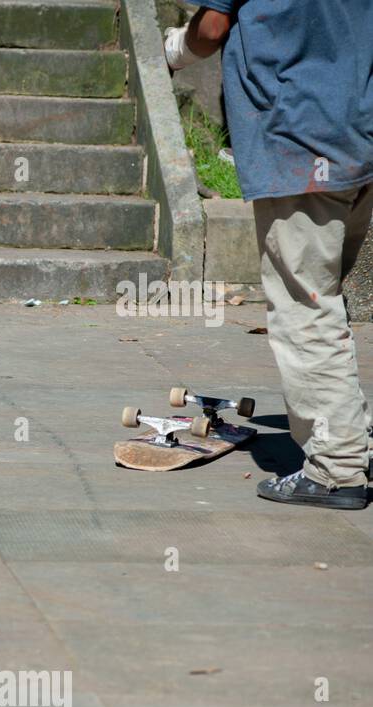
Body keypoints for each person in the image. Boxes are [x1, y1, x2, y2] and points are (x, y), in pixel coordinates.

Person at [166, 2, 373, 510]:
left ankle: (336, 468)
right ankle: (352, 440)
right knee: (324, 302)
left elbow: (212, 28)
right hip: (358, 137)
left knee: (307, 308)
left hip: (300, 138)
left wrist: (173, 49)